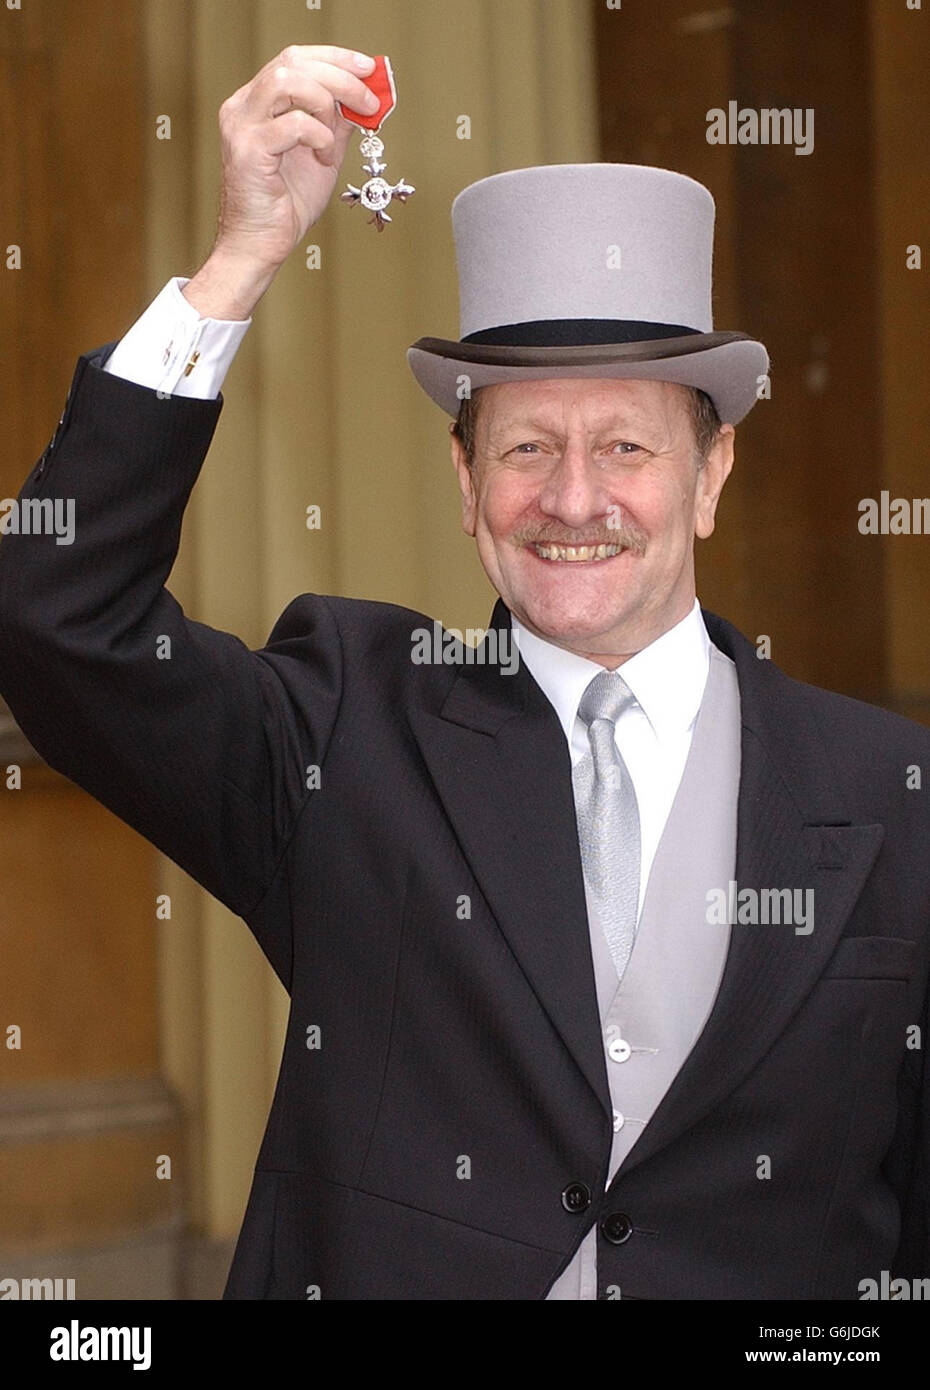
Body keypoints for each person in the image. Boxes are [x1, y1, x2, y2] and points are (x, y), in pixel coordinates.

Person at [0, 44, 927, 1301]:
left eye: (627, 447)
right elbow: (53, 615)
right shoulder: (345, 725)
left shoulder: (891, 789)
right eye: (528, 445)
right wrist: (241, 260)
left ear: (711, 478)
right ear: (464, 483)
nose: (575, 497)